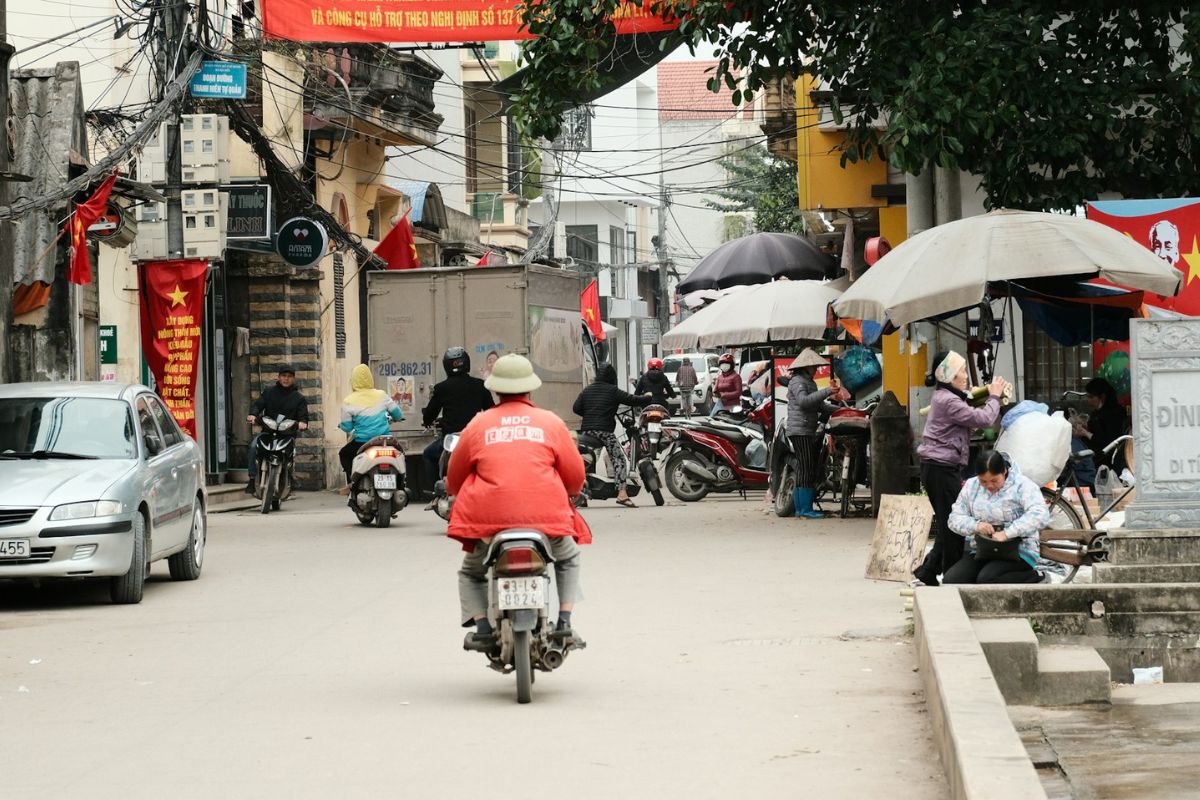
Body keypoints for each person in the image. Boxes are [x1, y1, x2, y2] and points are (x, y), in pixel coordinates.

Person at [446, 354, 592, 651]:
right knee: (567, 557)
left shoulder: (477, 425)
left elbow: (455, 478)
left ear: (495, 390)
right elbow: (575, 477)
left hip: (490, 523)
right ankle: (564, 622)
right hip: (546, 520)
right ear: (530, 389)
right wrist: (570, 493)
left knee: (471, 572)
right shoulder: (550, 422)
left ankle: (483, 628)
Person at [912, 351, 1010, 586]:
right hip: (940, 469)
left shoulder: (949, 397)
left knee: (949, 522)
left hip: (941, 467)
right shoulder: (948, 400)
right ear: (948, 376)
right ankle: (953, 578)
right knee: (955, 525)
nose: (965, 376)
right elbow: (985, 419)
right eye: (961, 372)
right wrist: (994, 396)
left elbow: (966, 426)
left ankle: (928, 571)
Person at [943, 450, 1049, 585]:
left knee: (988, 579)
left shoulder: (1022, 485)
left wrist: (1007, 533)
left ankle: (1037, 577)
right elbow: (954, 518)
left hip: (1019, 549)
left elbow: (1040, 515)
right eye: (983, 481)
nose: (989, 486)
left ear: (1004, 471)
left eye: (994, 480)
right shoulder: (971, 485)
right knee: (952, 580)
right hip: (983, 549)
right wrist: (976, 526)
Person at [572, 363, 651, 507]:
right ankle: (622, 494)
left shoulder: (587, 390)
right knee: (618, 459)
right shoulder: (613, 391)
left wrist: (590, 412)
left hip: (587, 432)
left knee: (589, 460)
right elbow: (633, 400)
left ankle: (583, 495)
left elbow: (576, 408)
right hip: (605, 433)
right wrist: (647, 396)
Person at [421, 347, 495, 496]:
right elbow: (492, 412)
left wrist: (429, 420)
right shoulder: (480, 385)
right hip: (475, 438)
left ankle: (436, 493)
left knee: (428, 454)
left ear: (446, 366)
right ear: (466, 363)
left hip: (451, 440)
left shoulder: (441, 388)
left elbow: (429, 415)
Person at [785, 349, 849, 519]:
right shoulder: (798, 381)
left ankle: (801, 509)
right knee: (806, 468)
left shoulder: (807, 382)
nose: (816, 369)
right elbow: (805, 402)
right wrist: (828, 391)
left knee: (805, 468)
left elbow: (820, 406)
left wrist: (843, 410)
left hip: (805, 429)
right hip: (801, 430)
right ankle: (804, 509)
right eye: (815, 366)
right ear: (807, 366)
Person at [338, 364, 404, 494]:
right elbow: (398, 414)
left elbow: (347, 426)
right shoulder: (382, 395)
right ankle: (402, 483)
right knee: (401, 454)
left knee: (344, 454)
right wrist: (394, 418)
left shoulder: (348, 401)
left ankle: (352, 483)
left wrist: (348, 426)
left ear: (353, 381)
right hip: (385, 441)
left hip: (362, 442)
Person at [245, 365, 309, 493]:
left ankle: (290, 476)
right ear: (278, 377)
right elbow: (258, 405)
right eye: (284, 376)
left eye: (289, 376)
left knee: (290, 453)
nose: (286, 379)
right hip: (268, 432)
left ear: (293, 379)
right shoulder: (269, 392)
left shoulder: (299, 398)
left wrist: (302, 423)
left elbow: (303, 416)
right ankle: (252, 479)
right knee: (253, 447)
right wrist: (253, 414)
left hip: (287, 434)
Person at [1075, 378, 1128, 469]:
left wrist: (1086, 433)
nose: (1089, 400)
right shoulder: (1098, 412)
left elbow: (1105, 440)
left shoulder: (1113, 414)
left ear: (1102, 397)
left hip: (1105, 455)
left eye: (1091, 397)